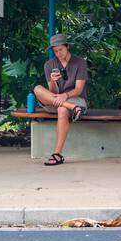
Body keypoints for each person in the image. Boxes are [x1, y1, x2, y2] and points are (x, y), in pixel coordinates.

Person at [33, 33, 89, 166]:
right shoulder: (49, 65)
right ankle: (72, 108)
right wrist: (53, 81)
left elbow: (78, 89)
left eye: (61, 50)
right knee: (37, 89)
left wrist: (65, 96)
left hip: (76, 100)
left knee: (62, 110)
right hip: (57, 100)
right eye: (55, 51)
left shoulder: (80, 63)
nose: (58, 53)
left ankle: (57, 154)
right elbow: (52, 93)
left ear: (67, 47)